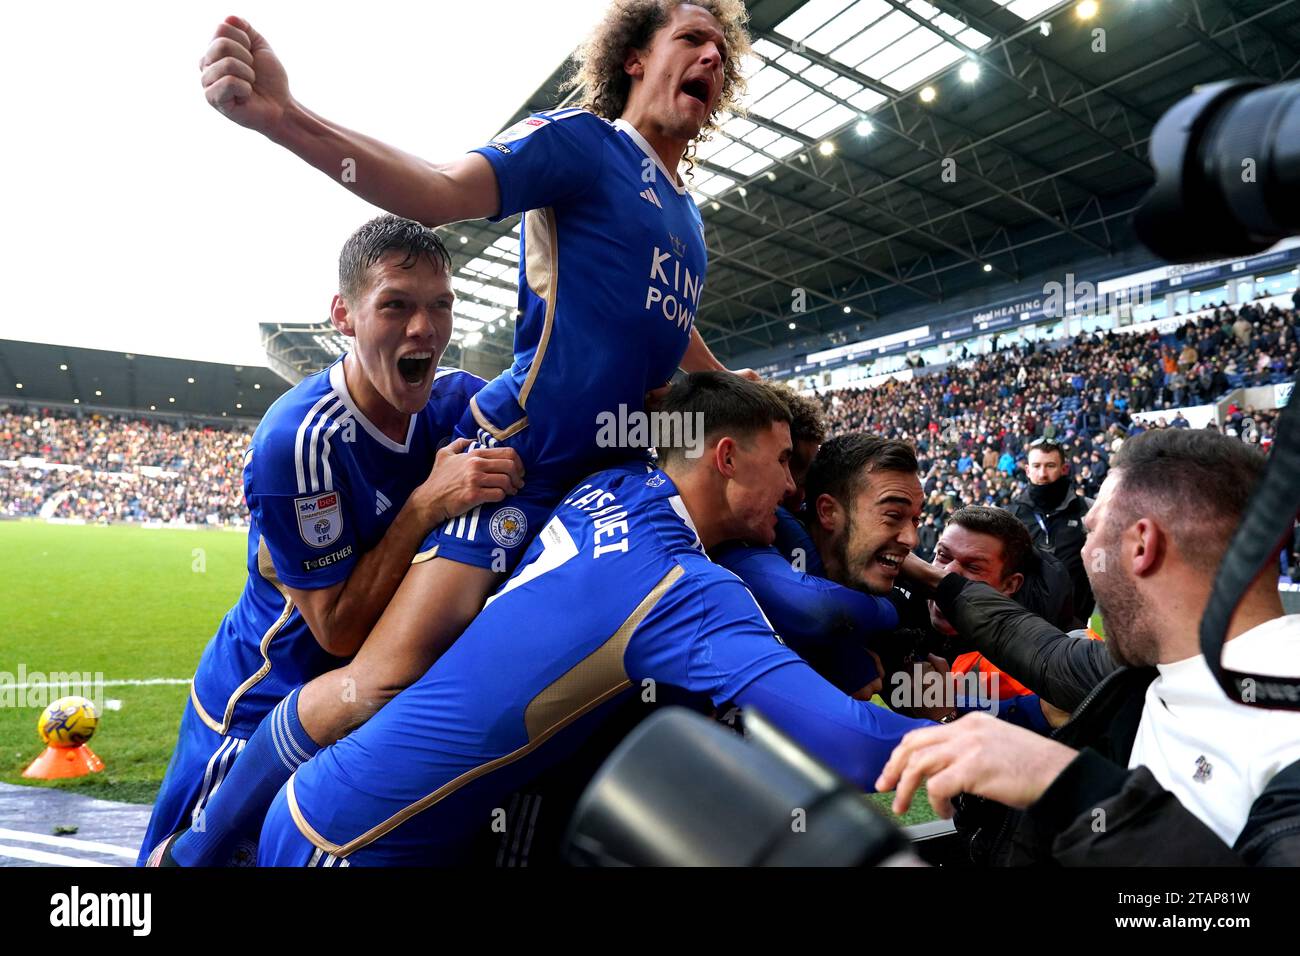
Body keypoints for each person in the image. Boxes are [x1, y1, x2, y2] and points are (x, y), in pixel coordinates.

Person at [177, 2, 759, 863]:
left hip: (603, 486)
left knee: (584, 698)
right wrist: (284, 119)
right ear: (635, 58)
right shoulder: (580, 143)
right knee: (380, 685)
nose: (711, 53)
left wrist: (750, 400)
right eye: (690, 37)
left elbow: (669, 349)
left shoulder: (689, 219)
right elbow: (438, 190)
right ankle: (202, 853)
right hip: (519, 471)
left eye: (721, 45)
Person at [256, 373, 932, 865]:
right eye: (784, 463)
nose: (791, 489)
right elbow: (856, 743)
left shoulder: (616, 486)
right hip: (362, 841)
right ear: (726, 458)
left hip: (322, 798)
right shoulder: (682, 590)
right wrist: (1011, 733)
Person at [140, 217, 523, 865]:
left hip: (358, 703)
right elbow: (337, 630)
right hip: (262, 705)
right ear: (344, 316)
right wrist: (425, 505)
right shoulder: (302, 439)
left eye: (440, 305)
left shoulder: (455, 398)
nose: (424, 328)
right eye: (396, 304)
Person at [881, 428, 1300, 865]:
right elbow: (1032, 643)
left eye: (1092, 531)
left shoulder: (1283, 730)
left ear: (1142, 546)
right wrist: (923, 573)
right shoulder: (1154, 671)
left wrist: (1068, 783)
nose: (1083, 554)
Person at [1006, 438, 1093, 625]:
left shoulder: (1088, 510)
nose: (1043, 474)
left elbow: (1101, 565)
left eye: (1050, 466)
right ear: (1027, 471)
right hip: (1024, 625)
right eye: (1036, 466)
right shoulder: (1011, 515)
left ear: (1064, 469)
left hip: (1073, 625)